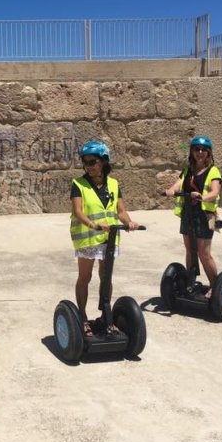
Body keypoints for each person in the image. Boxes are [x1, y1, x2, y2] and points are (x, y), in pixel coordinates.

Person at [70, 141, 139, 336]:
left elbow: (121, 211)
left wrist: (130, 222)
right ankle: (82, 317)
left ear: (104, 162)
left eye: (92, 162)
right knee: (85, 277)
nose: (89, 166)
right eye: (85, 163)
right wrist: (94, 225)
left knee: (105, 277)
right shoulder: (78, 184)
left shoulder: (114, 184)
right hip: (88, 239)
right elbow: (78, 211)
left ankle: (106, 316)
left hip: (110, 238)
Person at [165, 135, 222, 298]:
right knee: (190, 250)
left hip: (204, 215)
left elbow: (215, 191)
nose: (200, 152)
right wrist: (170, 190)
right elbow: (177, 185)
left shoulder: (213, 171)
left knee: (204, 253)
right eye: (197, 149)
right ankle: (190, 281)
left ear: (208, 153)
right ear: (192, 151)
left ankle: (214, 285)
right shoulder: (187, 170)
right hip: (188, 214)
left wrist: (202, 197)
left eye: (204, 150)